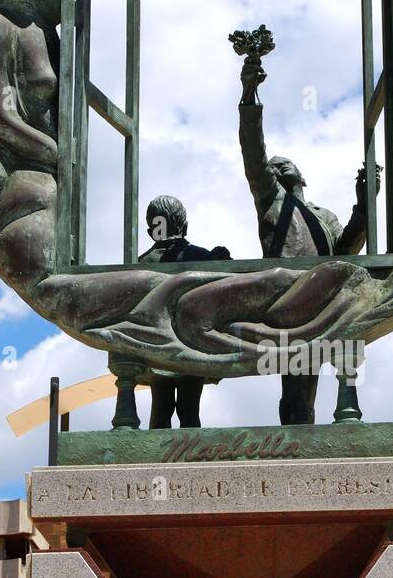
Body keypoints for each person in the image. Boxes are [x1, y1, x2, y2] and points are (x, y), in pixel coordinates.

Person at [236, 51, 373, 424]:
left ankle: (329, 426)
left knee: (321, 378)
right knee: (296, 388)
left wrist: (364, 206)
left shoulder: (322, 216)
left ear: (300, 175)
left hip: (325, 302)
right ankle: (295, 444)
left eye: (283, 163)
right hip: (289, 304)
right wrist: (250, 95)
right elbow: (252, 151)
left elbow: (345, 251)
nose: (279, 165)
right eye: (274, 165)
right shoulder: (271, 200)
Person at [138, 194, 230, 428]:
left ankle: (156, 460)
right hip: (191, 345)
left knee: (160, 409)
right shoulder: (202, 256)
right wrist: (219, 258)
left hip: (156, 347)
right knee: (189, 410)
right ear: (185, 227)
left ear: (152, 230)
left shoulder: (140, 263)